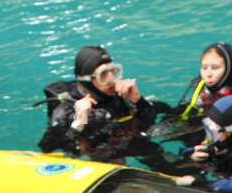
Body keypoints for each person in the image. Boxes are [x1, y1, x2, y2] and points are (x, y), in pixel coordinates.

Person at [39, 44, 174, 166]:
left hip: (124, 144)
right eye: (103, 75)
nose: (111, 80)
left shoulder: (119, 96)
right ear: (87, 80)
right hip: (96, 153)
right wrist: (79, 121)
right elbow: (48, 147)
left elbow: (153, 120)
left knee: (160, 154)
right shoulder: (67, 106)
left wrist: (139, 101)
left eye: (113, 71)